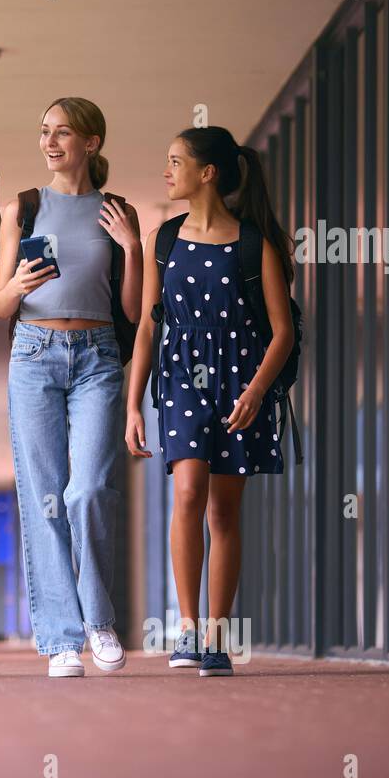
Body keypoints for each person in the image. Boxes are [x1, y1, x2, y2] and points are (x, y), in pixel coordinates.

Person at [125, 126, 295, 676]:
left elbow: (282, 331)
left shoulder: (254, 244)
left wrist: (257, 392)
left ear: (208, 173)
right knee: (189, 492)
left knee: (224, 510)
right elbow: (149, 328)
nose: (166, 171)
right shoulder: (165, 239)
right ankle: (189, 629)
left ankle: (218, 640)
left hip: (242, 384)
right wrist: (133, 404)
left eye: (175, 161)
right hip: (181, 382)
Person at [0, 97, 142, 677]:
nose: (49, 142)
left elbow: (131, 310)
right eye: (44, 132)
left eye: (62, 133)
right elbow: (2, 301)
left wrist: (131, 247)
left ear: (92, 142)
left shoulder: (118, 211)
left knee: (90, 490)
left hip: (99, 357)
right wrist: (21, 282)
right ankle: (60, 639)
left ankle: (99, 619)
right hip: (33, 353)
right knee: (45, 496)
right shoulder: (23, 208)